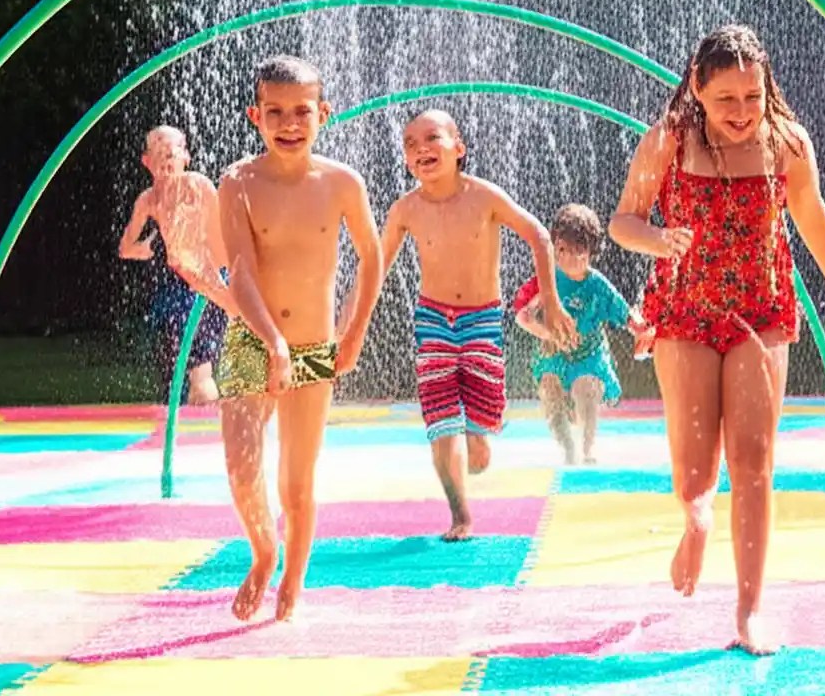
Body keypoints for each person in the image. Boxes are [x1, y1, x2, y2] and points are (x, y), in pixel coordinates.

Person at [607, 25, 825, 654]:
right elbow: (623, 221)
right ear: (697, 87)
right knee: (696, 469)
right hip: (685, 309)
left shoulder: (787, 142)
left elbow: (810, 212)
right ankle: (696, 520)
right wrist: (657, 238)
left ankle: (749, 611)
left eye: (752, 96)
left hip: (760, 309)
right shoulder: (670, 138)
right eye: (726, 99)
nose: (742, 112)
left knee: (753, 460)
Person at [215, 55, 383, 622]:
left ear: (323, 114)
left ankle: (293, 576)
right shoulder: (238, 182)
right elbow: (240, 270)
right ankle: (264, 553)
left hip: (314, 347)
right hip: (252, 339)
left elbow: (371, 258)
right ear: (255, 116)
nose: (289, 124)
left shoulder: (341, 183)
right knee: (241, 467)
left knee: (296, 481)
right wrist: (272, 341)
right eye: (276, 112)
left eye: (302, 112)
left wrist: (352, 333)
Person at [379, 109, 576, 542]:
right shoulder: (405, 210)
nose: (420, 149)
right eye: (410, 144)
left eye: (432, 138)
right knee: (440, 421)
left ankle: (480, 432)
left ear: (459, 148)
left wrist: (551, 301)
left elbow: (540, 236)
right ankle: (460, 515)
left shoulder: (484, 197)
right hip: (432, 320)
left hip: (481, 320)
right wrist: (348, 324)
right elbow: (375, 267)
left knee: (479, 450)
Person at [512, 203, 650, 465]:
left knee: (586, 390)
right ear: (554, 248)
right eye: (562, 251)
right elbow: (522, 316)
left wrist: (640, 329)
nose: (569, 259)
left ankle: (587, 449)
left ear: (591, 253)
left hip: (589, 355)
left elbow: (625, 314)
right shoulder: (547, 280)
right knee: (550, 392)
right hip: (553, 355)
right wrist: (547, 334)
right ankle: (567, 449)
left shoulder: (597, 285)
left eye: (578, 253)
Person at [119, 126, 236, 403]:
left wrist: (220, 281)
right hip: (189, 279)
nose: (165, 161)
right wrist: (142, 250)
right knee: (200, 375)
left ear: (186, 157)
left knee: (233, 332)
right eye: (159, 155)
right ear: (146, 161)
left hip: (215, 273)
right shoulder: (148, 200)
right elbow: (124, 248)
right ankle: (203, 393)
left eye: (171, 154)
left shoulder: (197, 186)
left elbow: (224, 234)